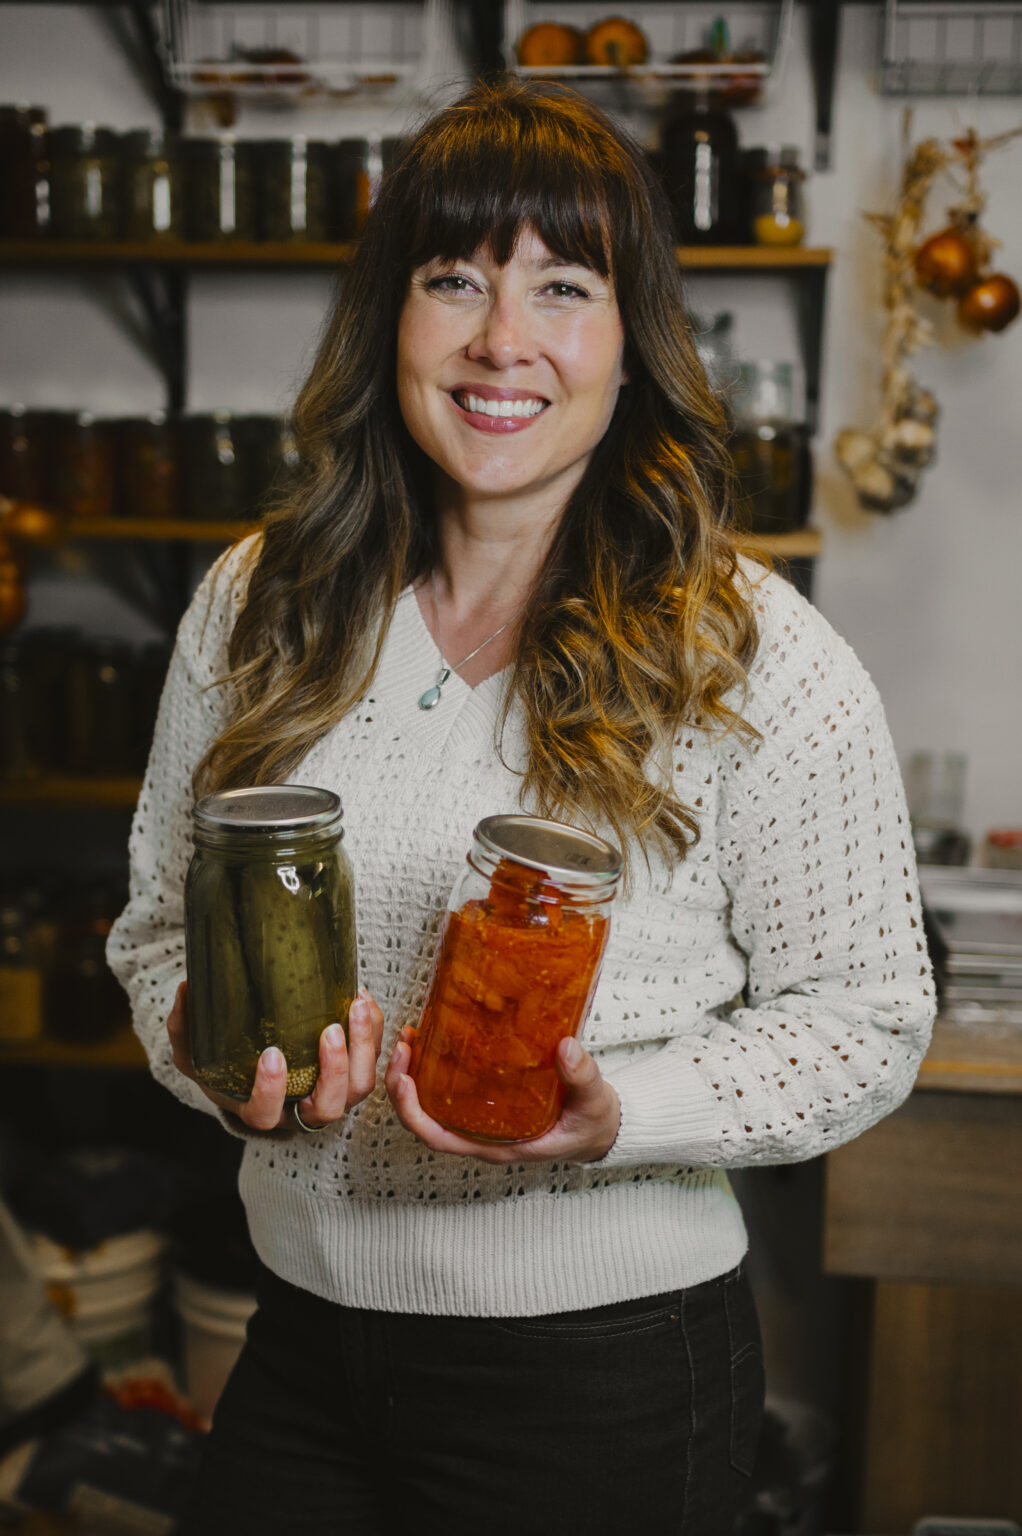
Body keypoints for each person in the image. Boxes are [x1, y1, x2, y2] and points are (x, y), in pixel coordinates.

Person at [108, 77, 936, 1535]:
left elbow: (866, 1020)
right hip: (296, 1334)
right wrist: (204, 1051)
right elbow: (161, 933)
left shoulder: (748, 651)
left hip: (601, 1377)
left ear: (630, 344)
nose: (502, 340)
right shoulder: (261, 603)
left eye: (562, 286)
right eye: (452, 281)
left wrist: (622, 1112)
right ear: (392, 322)